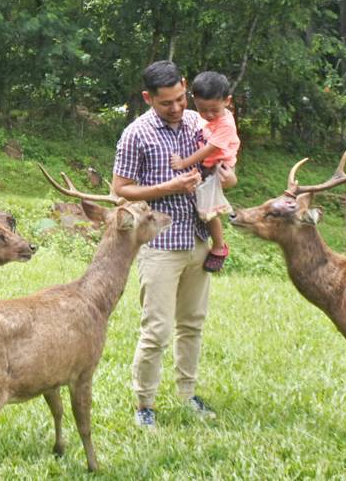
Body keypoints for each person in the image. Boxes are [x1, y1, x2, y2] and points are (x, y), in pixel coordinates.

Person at [112, 60, 237, 429]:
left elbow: (224, 173)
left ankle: (187, 394)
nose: (178, 108)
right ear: (148, 98)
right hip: (160, 246)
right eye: (167, 103)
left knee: (193, 324)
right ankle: (144, 404)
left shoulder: (202, 123)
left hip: (198, 239)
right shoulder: (136, 134)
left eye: (181, 98)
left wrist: (228, 178)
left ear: (185, 86)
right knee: (157, 329)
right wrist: (168, 187)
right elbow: (120, 190)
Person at [169, 71, 241, 272]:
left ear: (227, 101)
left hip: (218, 167)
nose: (208, 115)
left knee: (208, 212)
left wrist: (183, 163)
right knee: (201, 206)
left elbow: (209, 150)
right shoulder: (198, 118)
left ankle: (219, 247)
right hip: (206, 166)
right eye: (203, 110)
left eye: (214, 111)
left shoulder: (226, 123)